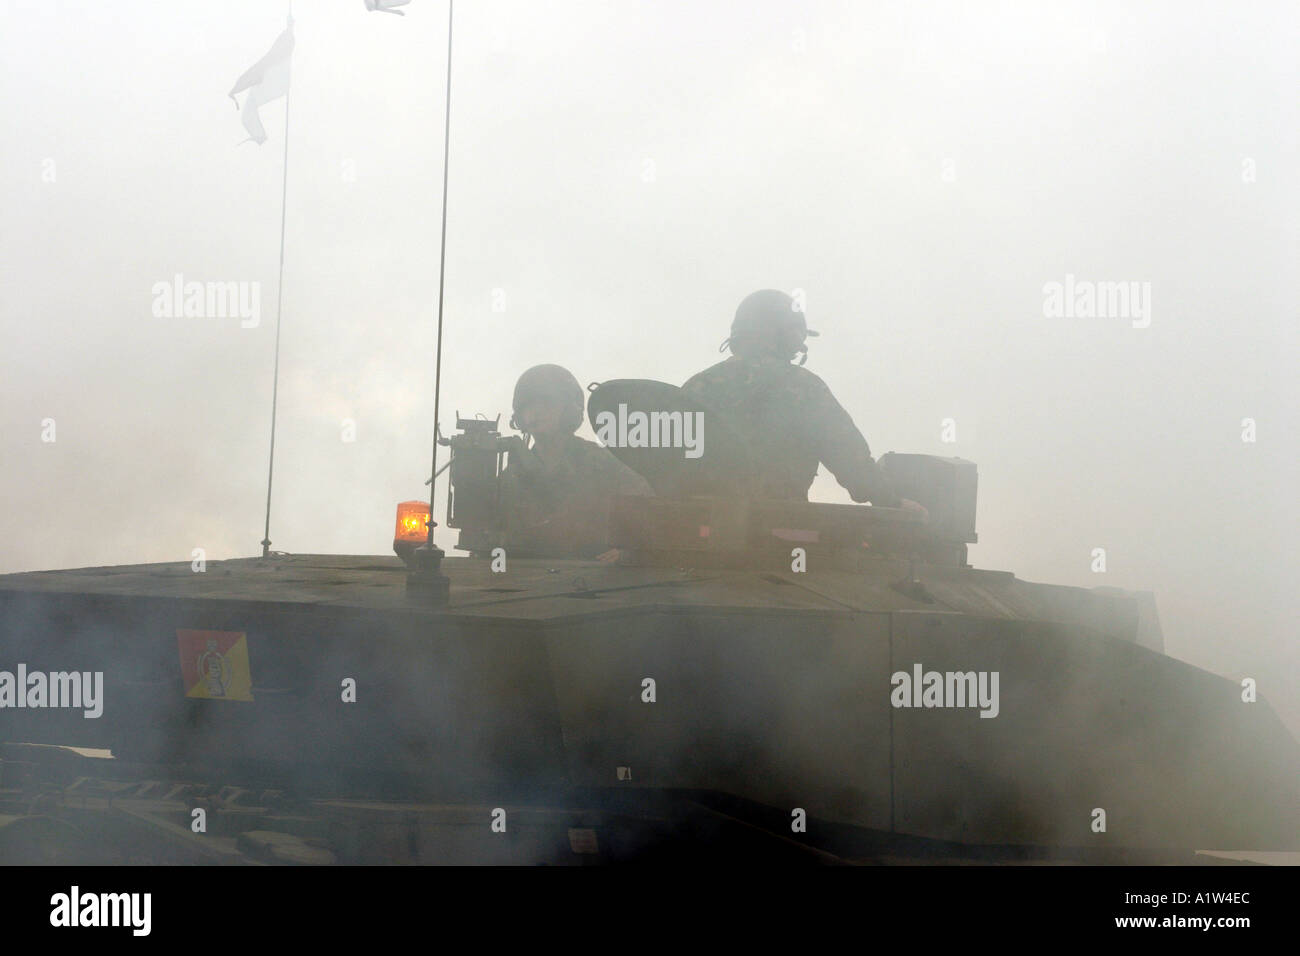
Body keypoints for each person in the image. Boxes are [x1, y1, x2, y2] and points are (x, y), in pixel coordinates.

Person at [681, 290, 925, 515]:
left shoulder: (699, 386)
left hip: (694, 529)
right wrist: (892, 502)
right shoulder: (804, 388)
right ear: (787, 335)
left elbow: (663, 458)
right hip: (779, 531)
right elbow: (847, 455)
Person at [501, 364, 652, 558]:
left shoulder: (601, 463)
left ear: (570, 410)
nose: (536, 411)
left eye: (547, 403)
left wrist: (627, 551)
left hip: (593, 580)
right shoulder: (513, 476)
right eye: (528, 405)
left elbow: (649, 513)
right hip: (528, 579)